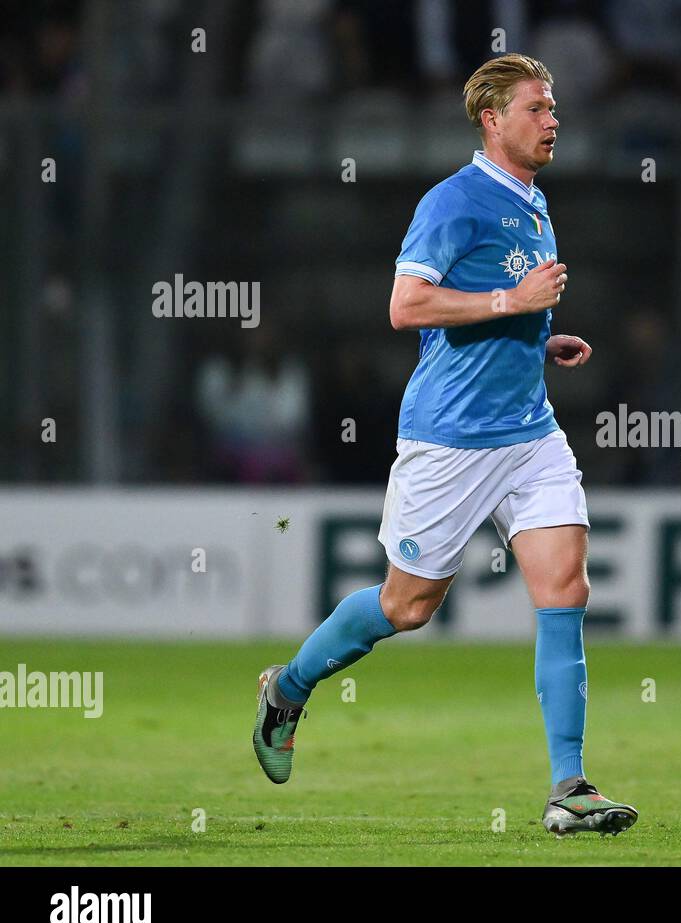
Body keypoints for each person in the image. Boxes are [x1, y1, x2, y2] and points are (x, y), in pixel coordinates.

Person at [250, 54, 637, 837]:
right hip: (451, 438)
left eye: (555, 106)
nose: (553, 120)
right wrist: (514, 301)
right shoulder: (453, 201)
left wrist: (537, 337)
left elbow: (499, 311)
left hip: (529, 433)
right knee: (408, 605)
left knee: (564, 590)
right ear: (493, 119)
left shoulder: (532, 201)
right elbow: (407, 305)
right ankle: (287, 689)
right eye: (538, 107)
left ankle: (570, 786)